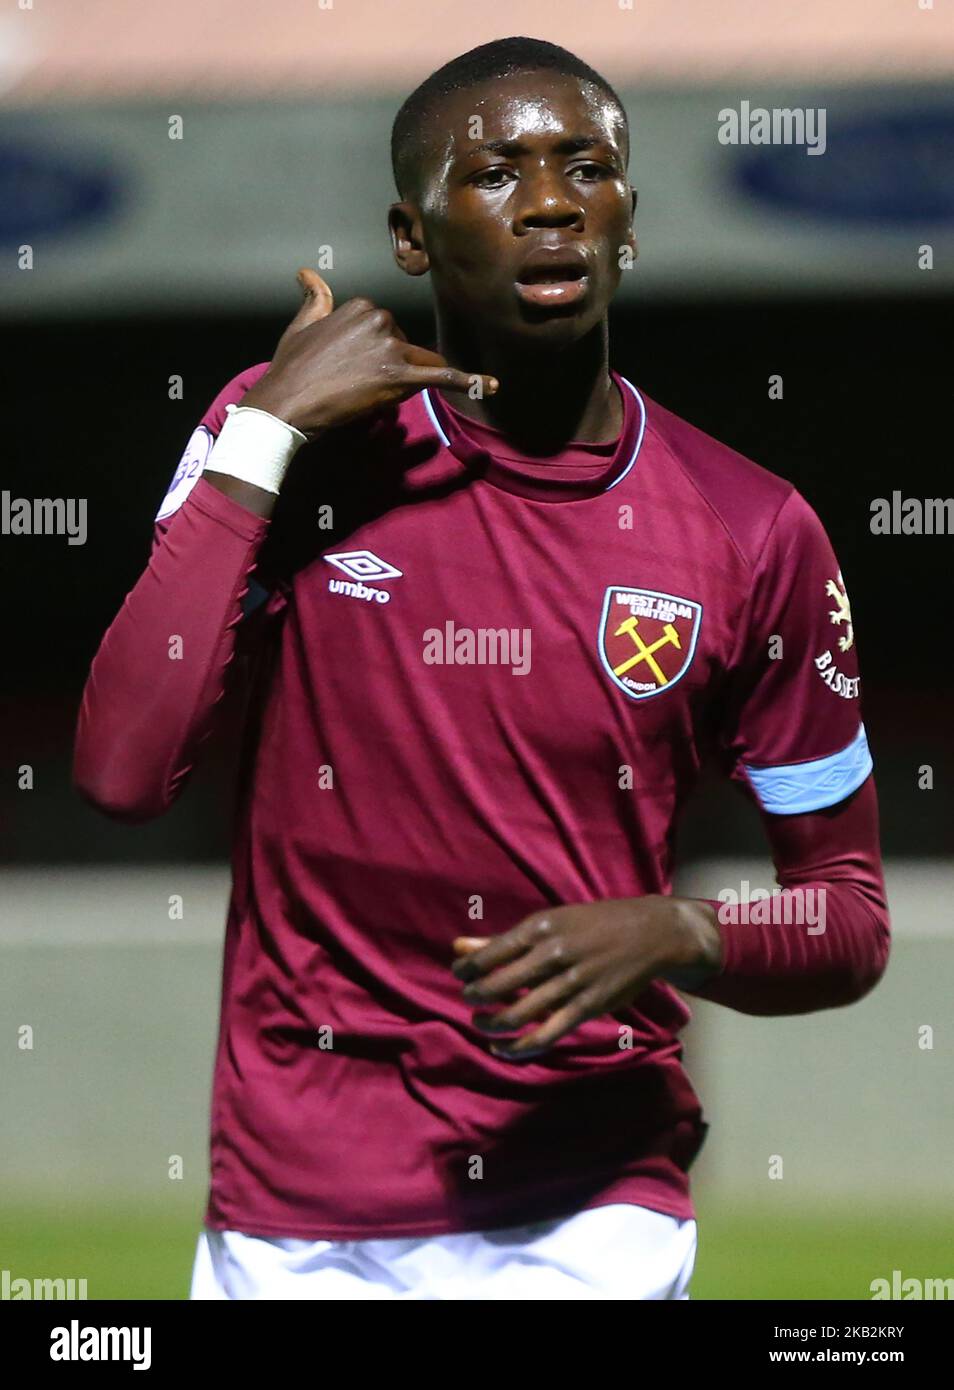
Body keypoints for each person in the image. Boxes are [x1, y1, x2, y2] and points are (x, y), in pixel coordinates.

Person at [73, 37, 890, 1300]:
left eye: (588, 167)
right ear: (412, 236)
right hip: (296, 1217)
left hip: (588, 1208)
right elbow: (123, 772)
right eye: (496, 172)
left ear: (628, 216)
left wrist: (680, 929)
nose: (553, 201)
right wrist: (267, 436)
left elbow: (844, 912)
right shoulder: (296, 444)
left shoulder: (750, 529)